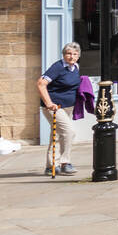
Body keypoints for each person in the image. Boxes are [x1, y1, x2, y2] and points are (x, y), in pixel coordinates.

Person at [37, 42, 83, 176]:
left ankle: (51, 166)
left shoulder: (75, 67)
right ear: (63, 55)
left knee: (57, 135)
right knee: (69, 132)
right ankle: (65, 163)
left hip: (68, 107)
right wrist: (48, 103)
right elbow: (41, 84)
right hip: (54, 107)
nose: (71, 57)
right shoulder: (58, 67)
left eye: (75, 54)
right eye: (68, 54)